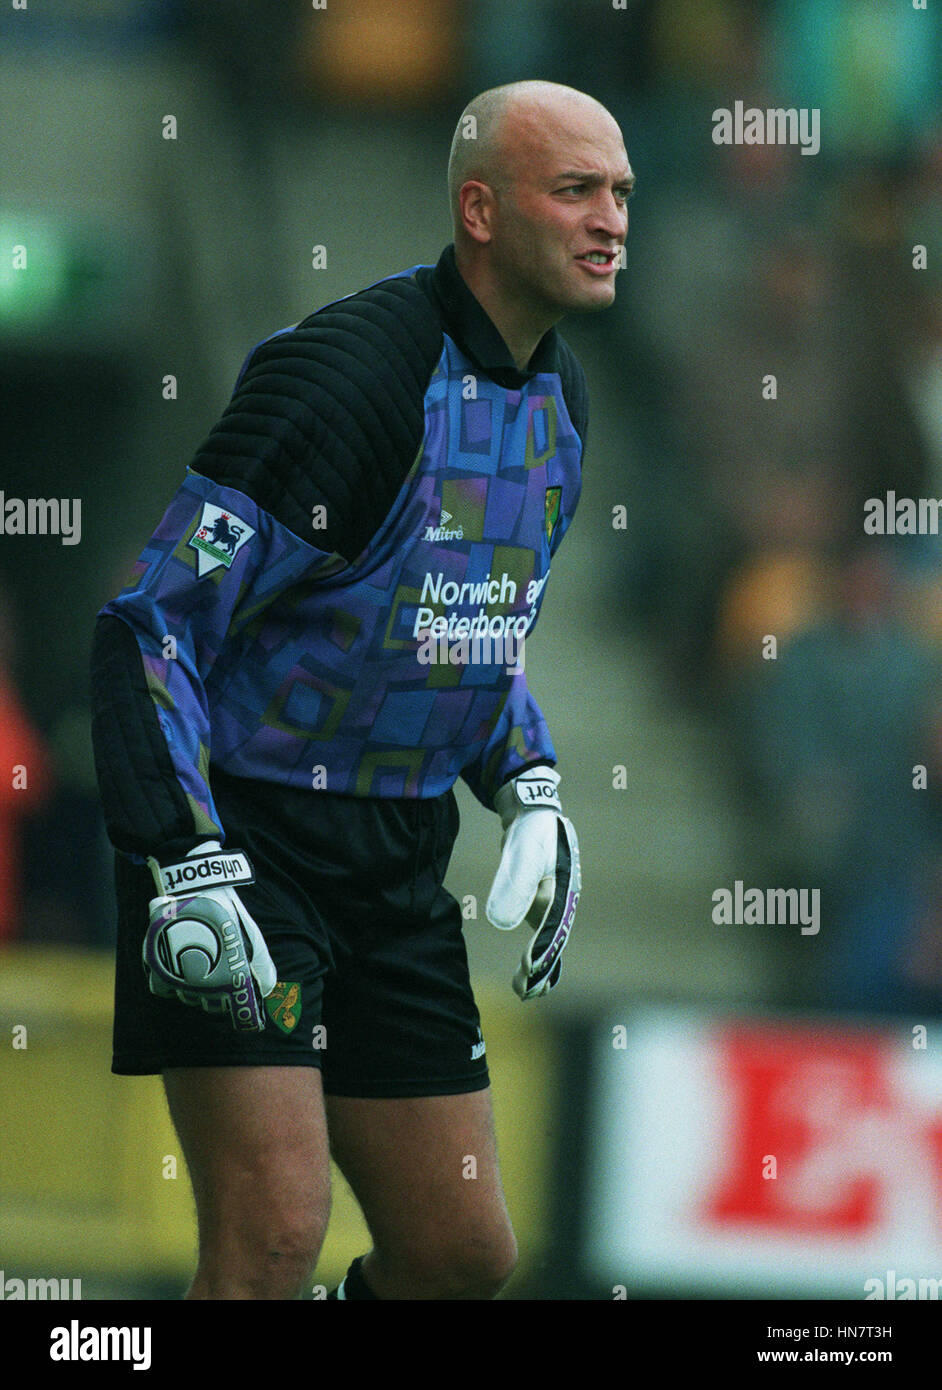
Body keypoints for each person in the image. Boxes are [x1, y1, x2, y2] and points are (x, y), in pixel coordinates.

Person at [90, 79, 633, 1300]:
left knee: (461, 1257)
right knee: (273, 1236)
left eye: (622, 193)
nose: (612, 220)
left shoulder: (563, 397)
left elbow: (467, 625)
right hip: (244, 842)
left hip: (396, 859)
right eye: (578, 190)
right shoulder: (345, 378)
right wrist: (182, 854)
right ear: (481, 208)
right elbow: (146, 631)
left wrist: (530, 780)